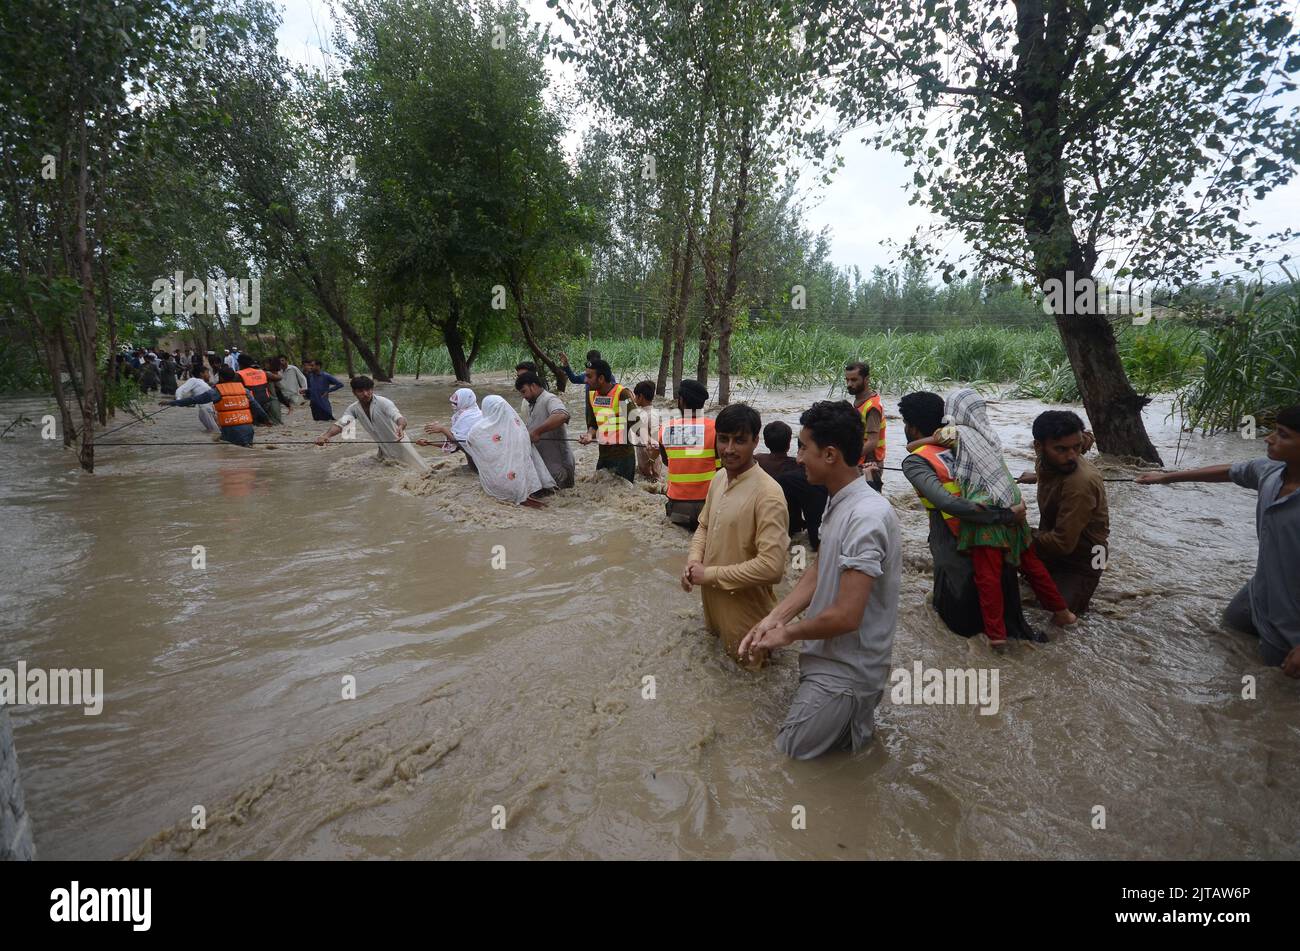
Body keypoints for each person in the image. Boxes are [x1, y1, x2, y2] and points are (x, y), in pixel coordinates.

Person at [739, 400, 902, 760]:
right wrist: (775, 617)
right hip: (828, 662)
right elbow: (818, 569)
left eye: (803, 448)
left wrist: (788, 634)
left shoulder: (866, 517)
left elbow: (846, 616)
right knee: (837, 756)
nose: (797, 458)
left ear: (829, 455)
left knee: (787, 759)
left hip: (847, 675)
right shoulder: (839, 501)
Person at [1136, 405, 1300, 675]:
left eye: (1282, 435)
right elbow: (1230, 472)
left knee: (1279, 683)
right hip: (1261, 588)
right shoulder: (1270, 472)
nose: (1269, 438)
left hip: (1290, 614)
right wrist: (1165, 478)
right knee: (1233, 626)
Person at [908, 388, 1076, 646]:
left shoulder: (948, 438)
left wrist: (917, 444)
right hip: (1014, 505)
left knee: (988, 578)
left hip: (986, 520)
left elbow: (942, 494)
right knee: (1033, 567)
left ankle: (996, 638)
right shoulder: (988, 435)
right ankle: (1063, 613)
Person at [681, 404, 789, 668]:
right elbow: (704, 527)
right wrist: (694, 561)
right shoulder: (718, 479)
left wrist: (710, 575)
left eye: (739, 440)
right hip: (714, 609)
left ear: (755, 440)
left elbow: (772, 568)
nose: (729, 449)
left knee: (750, 688)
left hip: (747, 619)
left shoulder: (769, 495)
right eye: (723, 439)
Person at [1015, 410, 1110, 614]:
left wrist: (1017, 531)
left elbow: (1062, 543)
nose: (1072, 456)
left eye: (1076, 448)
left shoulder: (1079, 484)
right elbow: (1086, 438)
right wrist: (1039, 476)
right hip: (1052, 544)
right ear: (1039, 447)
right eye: (1062, 449)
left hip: (1088, 557)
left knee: (1060, 617)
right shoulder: (1048, 459)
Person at [459, 395, 556, 506]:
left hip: (499, 483)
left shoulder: (479, 429)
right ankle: (528, 497)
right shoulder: (518, 425)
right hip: (522, 479)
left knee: (503, 498)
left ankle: (518, 498)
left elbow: (471, 442)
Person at [316, 376, 427, 469]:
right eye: (361, 391)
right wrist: (326, 436)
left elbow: (398, 417)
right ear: (354, 392)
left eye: (368, 390)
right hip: (383, 448)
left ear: (372, 389)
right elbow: (341, 424)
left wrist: (401, 427)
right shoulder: (353, 408)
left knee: (419, 469)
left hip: (401, 445)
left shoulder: (383, 402)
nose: (365, 394)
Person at [758, 420, 829, 551]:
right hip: (792, 527)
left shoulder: (757, 461)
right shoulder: (797, 467)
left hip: (766, 524)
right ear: (789, 444)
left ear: (765, 443)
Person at [658, 379, 718, 530]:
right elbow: (721, 466)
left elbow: (667, 462)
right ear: (702, 403)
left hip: (678, 507)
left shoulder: (665, 429)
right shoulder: (716, 429)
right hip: (708, 506)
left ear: (681, 401)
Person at [164, 365, 268, 446]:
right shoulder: (245, 391)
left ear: (221, 378)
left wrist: (173, 403)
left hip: (230, 433)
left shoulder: (216, 392)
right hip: (249, 432)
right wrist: (266, 419)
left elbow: (193, 400)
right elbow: (257, 407)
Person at [578, 358, 637, 482]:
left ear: (601, 378)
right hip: (604, 455)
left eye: (589, 377)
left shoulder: (623, 394)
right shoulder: (592, 395)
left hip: (623, 457)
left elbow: (636, 422)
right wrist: (589, 435)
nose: (585, 380)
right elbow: (594, 424)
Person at [515, 371, 575, 488]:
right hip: (548, 469)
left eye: (524, 391)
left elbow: (562, 415)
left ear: (533, 386)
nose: (524, 396)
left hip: (559, 469)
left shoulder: (550, 399)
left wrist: (537, 432)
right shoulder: (532, 403)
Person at [845, 360, 886, 492]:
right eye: (847, 380)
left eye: (854, 380)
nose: (849, 384)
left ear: (866, 379)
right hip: (861, 460)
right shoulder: (859, 400)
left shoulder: (872, 407)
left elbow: (872, 442)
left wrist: (849, 458)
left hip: (870, 462)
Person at [420, 387, 483, 471]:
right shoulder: (461, 416)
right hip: (476, 465)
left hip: (481, 467)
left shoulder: (472, 417)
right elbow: (455, 447)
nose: (453, 405)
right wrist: (429, 443)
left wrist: (443, 429)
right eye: (452, 402)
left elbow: (460, 443)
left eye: (455, 403)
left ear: (465, 402)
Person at [170, 364, 220, 434]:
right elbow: (180, 389)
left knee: (216, 432)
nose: (209, 375)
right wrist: (178, 400)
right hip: (205, 411)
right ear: (201, 374)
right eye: (207, 373)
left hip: (212, 411)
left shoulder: (204, 384)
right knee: (215, 433)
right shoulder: (194, 380)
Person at [630, 381, 663, 481]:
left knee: (653, 482)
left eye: (635, 396)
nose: (634, 399)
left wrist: (650, 462)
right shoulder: (642, 413)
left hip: (651, 466)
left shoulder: (651, 415)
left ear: (641, 396)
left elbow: (656, 445)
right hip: (645, 462)